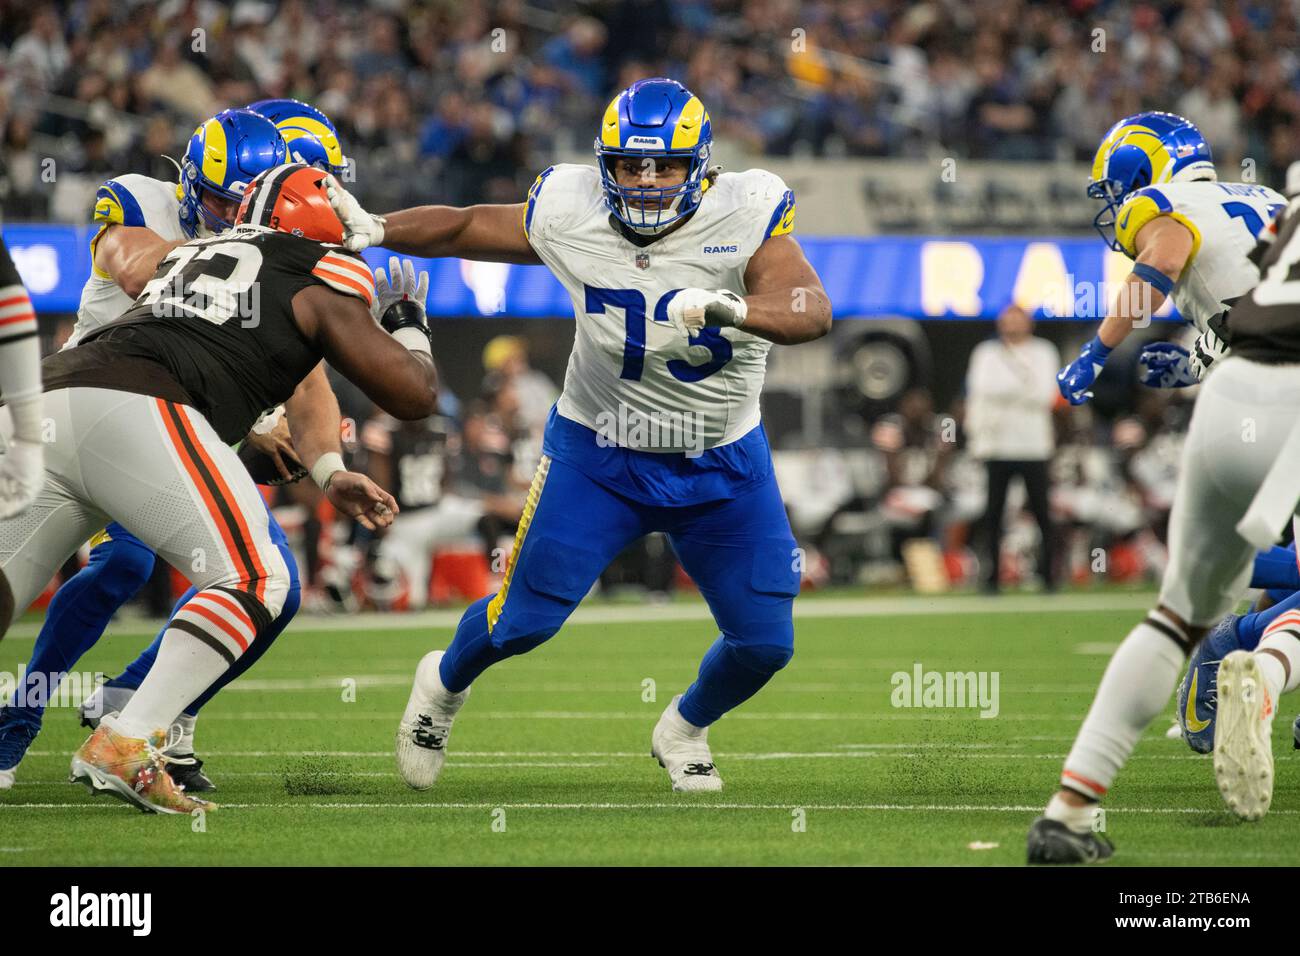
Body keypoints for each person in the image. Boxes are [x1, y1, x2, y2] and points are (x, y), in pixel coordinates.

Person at [326, 77, 832, 793]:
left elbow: (811, 308)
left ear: (703, 166)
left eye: (667, 166)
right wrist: (380, 227)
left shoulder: (745, 212)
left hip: (720, 459)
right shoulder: (573, 209)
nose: (650, 182)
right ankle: (440, 686)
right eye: (633, 165)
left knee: (765, 644)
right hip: (602, 450)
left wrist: (732, 308)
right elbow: (471, 225)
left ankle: (683, 727)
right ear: (607, 164)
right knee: (521, 623)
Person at [0, 163, 434, 814]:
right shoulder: (320, 267)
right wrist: (406, 323)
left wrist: (327, 471)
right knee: (259, 580)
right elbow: (414, 393)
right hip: (137, 406)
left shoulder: (200, 251)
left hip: (50, 397)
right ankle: (125, 736)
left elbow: (292, 374)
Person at [1028, 112, 1287, 862]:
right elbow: (1262, 305)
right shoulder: (1268, 198)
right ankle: (1253, 658)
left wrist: (1095, 352)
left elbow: (1165, 258)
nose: (1116, 208)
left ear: (1143, 171)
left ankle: (1070, 811)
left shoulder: (1167, 203)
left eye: (1117, 190)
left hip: (1249, 405)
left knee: (1179, 608)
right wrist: (1203, 354)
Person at [965, 303, 1060, 593]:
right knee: (993, 514)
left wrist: (1005, 392)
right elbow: (981, 388)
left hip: (1033, 445)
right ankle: (991, 577)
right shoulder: (986, 353)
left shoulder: (1044, 351)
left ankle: (1048, 576)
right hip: (997, 445)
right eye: (1007, 320)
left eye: (1017, 319)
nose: (1012, 325)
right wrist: (1022, 388)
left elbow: (1045, 393)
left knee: (1043, 513)